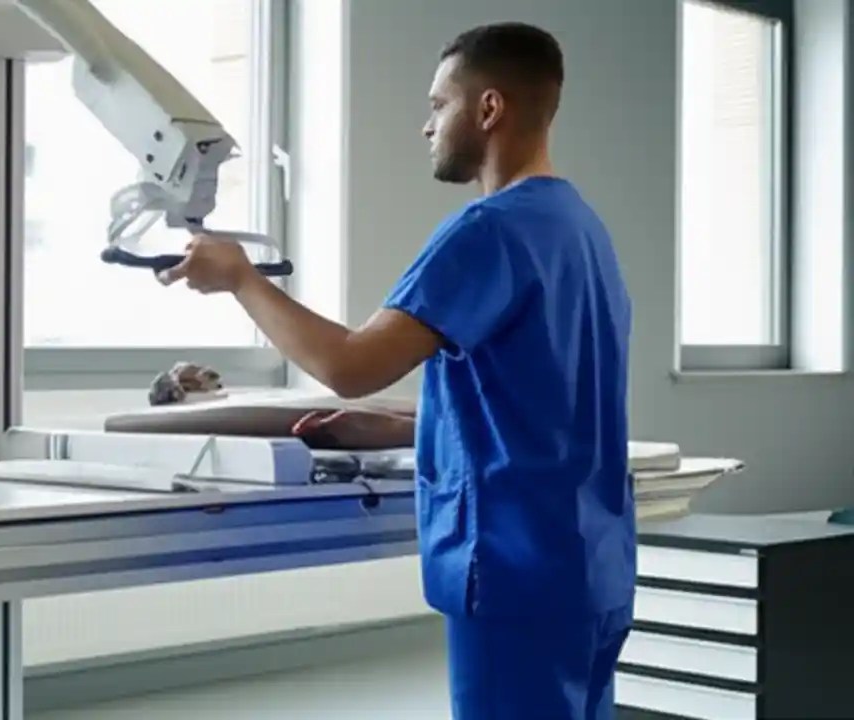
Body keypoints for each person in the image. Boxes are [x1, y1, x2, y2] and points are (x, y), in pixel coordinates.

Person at [158, 21, 636, 720]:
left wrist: (240, 279)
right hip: (590, 568)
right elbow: (540, 393)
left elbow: (351, 364)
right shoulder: (582, 228)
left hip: (511, 568)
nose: (426, 126)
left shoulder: (488, 231)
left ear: (489, 109)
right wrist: (409, 423)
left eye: (439, 105)